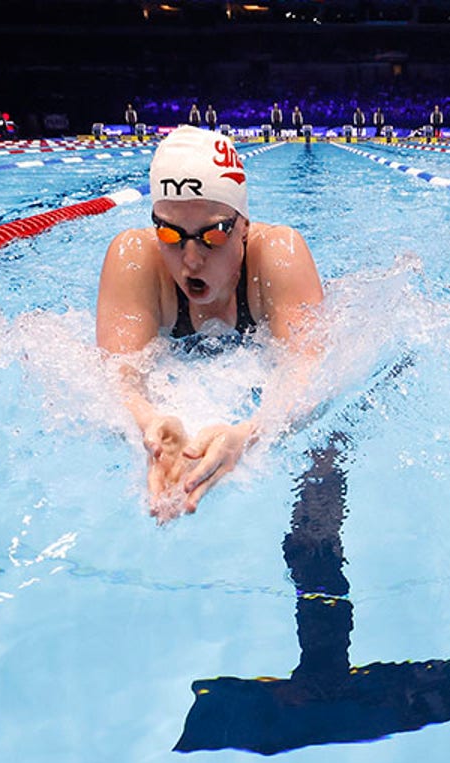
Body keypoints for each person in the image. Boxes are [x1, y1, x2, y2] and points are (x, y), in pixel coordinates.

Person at [95, 126, 326, 519]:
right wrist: (149, 422)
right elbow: (118, 377)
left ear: (244, 227)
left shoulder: (278, 257)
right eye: (169, 233)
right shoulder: (135, 260)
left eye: (213, 236)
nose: (190, 260)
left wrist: (249, 434)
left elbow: (312, 371)